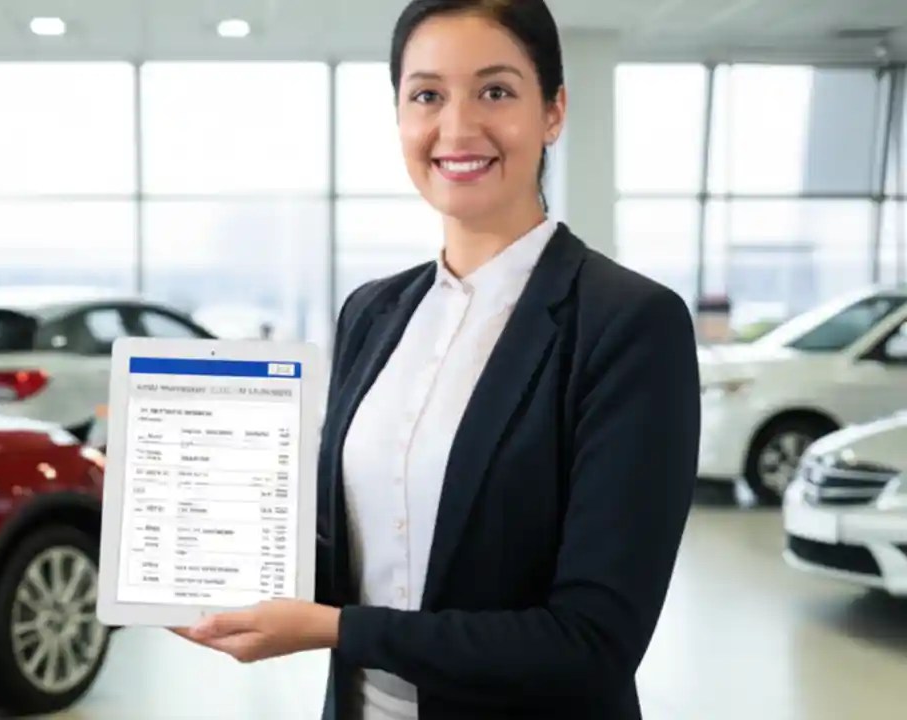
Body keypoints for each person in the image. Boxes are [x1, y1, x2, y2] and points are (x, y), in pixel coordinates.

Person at [175, 0, 700, 717]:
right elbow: (358, 555)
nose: (457, 128)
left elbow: (591, 643)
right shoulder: (373, 312)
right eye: (427, 95)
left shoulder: (628, 323)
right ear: (399, 117)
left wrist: (335, 629)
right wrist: (190, 522)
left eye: (495, 91)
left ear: (553, 112)